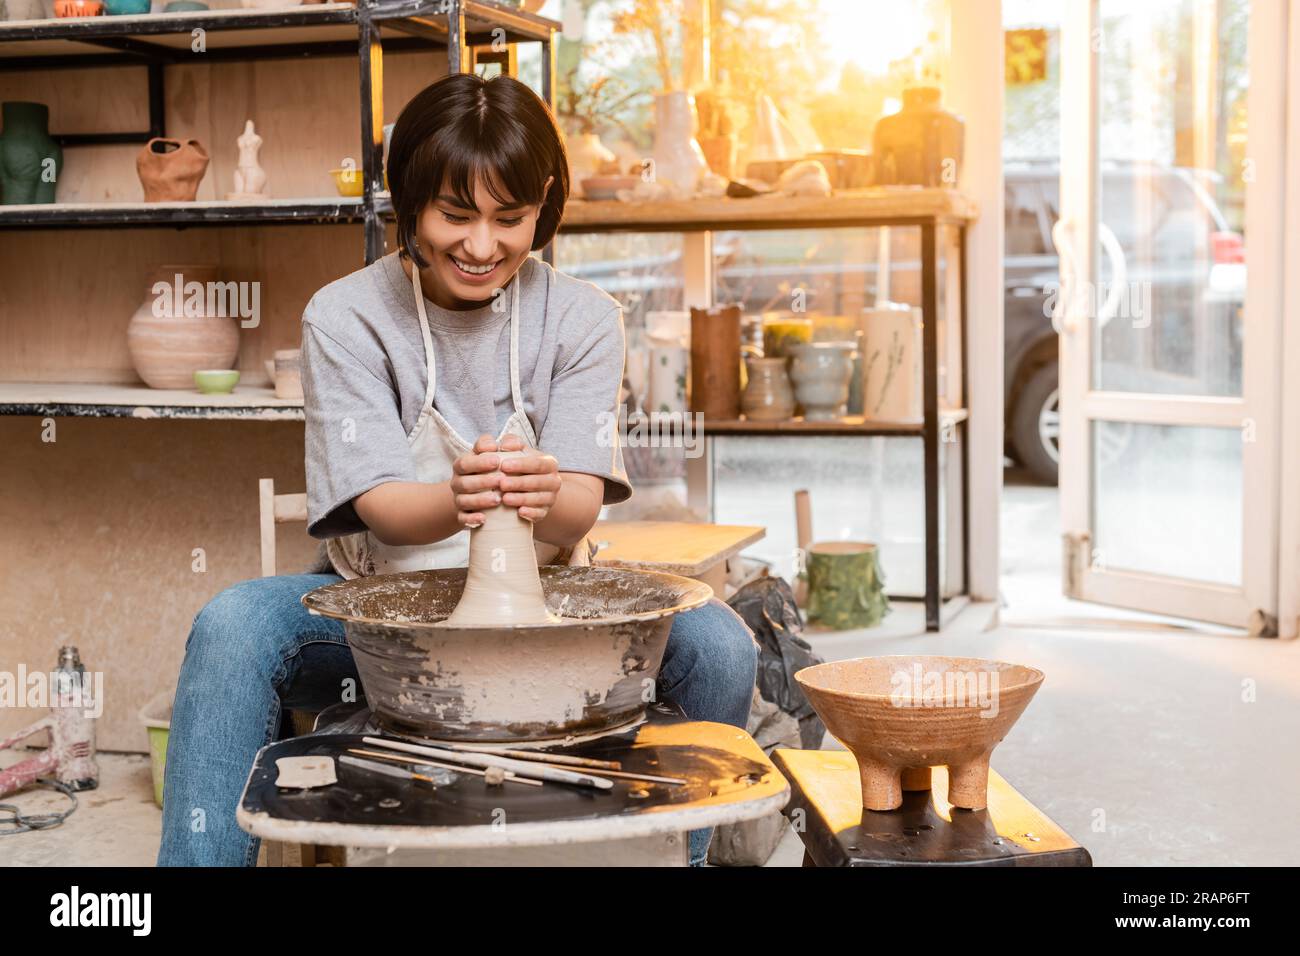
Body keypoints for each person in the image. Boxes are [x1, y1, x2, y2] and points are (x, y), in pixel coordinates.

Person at [156, 72, 758, 868]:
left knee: (720, 646)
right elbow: (380, 508)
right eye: (454, 214)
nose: (481, 247)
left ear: (542, 204)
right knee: (233, 623)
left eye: (510, 219)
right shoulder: (346, 317)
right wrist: (458, 497)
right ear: (409, 202)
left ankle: (665, 854)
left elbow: (578, 509)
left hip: (549, 618)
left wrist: (545, 498)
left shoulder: (582, 318)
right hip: (380, 625)